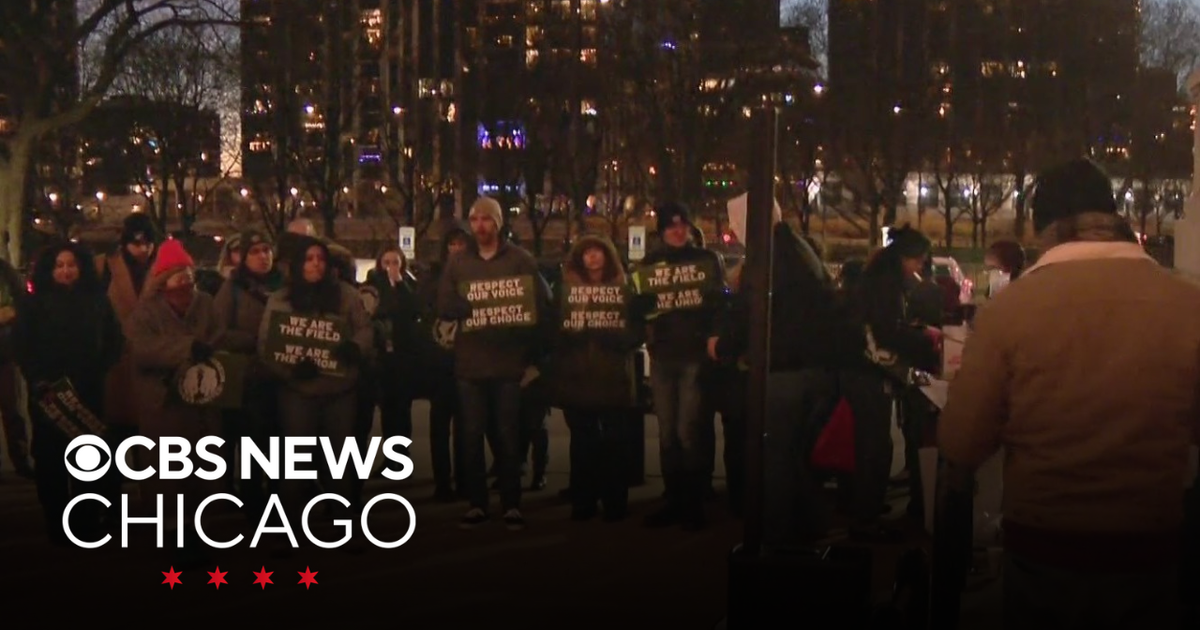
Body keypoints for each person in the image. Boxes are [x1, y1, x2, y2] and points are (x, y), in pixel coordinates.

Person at [939, 158, 1200, 629]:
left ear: (1045, 227)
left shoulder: (1011, 311)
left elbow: (962, 442)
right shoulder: (1188, 306)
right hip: (1152, 546)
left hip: (1044, 546)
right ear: (1112, 215)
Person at [710, 212, 845, 546]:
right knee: (797, 452)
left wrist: (723, 346)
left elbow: (747, 314)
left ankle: (778, 532)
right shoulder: (800, 254)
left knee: (778, 455)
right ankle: (808, 523)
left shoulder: (765, 260)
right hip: (818, 370)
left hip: (783, 371)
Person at [437, 197, 551, 530]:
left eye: (487, 219)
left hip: (508, 363)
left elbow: (539, 305)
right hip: (470, 364)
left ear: (498, 223)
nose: (480, 226)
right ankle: (476, 503)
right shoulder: (458, 262)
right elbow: (443, 302)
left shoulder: (520, 260)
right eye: (474, 220)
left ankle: (511, 503)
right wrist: (470, 307)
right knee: (470, 436)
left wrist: (525, 340)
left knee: (507, 435)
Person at [258, 236, 373, 554]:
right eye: (308, 259)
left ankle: (344, 522)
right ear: (298, 265)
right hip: (298, 391)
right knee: (296, 462)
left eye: (320, 259)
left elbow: (364, 330)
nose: (315, 264)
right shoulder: (281, 299)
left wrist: (355, 348)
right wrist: (290, 370)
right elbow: (267, 344)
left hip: (339, 390)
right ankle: (290, 524)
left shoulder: (346, 296)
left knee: (340, 461)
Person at [17, 241, 124, 545]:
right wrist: (38, 379)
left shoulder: (97, 302)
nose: (66, 271)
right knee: (50, 461)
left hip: (88, 392)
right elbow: (23, 347)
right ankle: (56, 520)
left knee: (88, 461)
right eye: (60, 265)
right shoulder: (33, 304)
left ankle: (86, 520)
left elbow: (115, 341)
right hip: (49, 394)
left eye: (71, 265)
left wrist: (99, 369)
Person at [126, 239, 223, 568]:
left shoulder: (206, 304)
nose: (184, 282)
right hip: (163, 402)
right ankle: (172, 534)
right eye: (177, 275)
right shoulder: (146, 312)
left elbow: (218, 336)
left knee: (202, 472)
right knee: (168, 475)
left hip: (202, 398)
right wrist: (185, 348)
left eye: (187, 275)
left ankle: (198, 532)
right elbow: (141, 350)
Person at [843, 225, 940, 541]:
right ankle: (865, 517)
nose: (919, 267)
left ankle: (865, 508)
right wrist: (924, 336)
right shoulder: (888, 285)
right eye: (918, 260)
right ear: (907, 257)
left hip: (859, 368)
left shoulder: (875, 278)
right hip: (870, 371)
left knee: (871, 443)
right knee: (874, 446)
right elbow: (888, 332)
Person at [635, 201, 728, 531]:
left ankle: (692, 502)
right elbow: (642, 306)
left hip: (693, 354)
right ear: (661, 231)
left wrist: (715, 335)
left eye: (682, 224)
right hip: (663, 355)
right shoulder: (650, 264)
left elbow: (719, 302)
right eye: (670, 225)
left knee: (688, 430)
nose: (677, 230)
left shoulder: (705, 261)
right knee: (666, 432)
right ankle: (674, 498)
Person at [552, 234, 644, 522]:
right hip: (578, 376)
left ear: (608, 256)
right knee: (582, 443)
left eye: (598, 251)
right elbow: (551, 329)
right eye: (587, 252)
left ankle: (615, 501)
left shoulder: (625, 289)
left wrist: (617, 336)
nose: (592, 257)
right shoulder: (564, 290)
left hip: (613, 375)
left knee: (616, 443)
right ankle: (583, 501)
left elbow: (638, 330)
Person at [211, 230, 283, 522]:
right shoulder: (233, 288)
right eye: (255, 252)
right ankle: (253, 503)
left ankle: (280, 502)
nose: (262, 256)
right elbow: (218, 331)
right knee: (253, 444)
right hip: (249, 378)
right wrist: (256, 340)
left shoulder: (285, 286)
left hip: (282, 377)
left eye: (266, 250)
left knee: (280, 446)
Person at [418, 223, 471, 501]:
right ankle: (442, 482)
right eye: (452, 244)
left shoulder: (475, 275)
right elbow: (424, 310)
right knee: (439, 426)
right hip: (439, 361)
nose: (456, 248)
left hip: (468, 360)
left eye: (461, 243)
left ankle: (464, 480)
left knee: (466, 427)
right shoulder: (433, 276)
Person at [96, 213, 160, 432]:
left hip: (152, 360)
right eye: (137, 243)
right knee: (116, 428)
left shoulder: (162, 268)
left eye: (148, 243)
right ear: (125, 243)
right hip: (116, 360)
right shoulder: (105, 266)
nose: (144, 249)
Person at [0, 256, 33, 479]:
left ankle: (20, 460)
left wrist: (11, 313)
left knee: (11, 408)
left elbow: (23, 301)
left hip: (5, 350)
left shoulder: (4, 270)